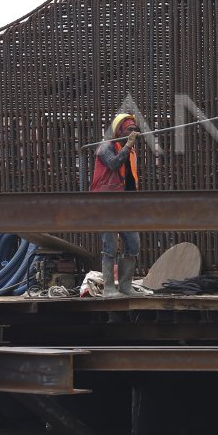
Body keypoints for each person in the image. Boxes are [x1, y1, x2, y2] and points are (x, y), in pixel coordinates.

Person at [89, 112, 141, 297]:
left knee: (133, 244)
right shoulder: (105, 148)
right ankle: (109, 288)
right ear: (119, 130)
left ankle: (126, 286)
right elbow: (112, 164)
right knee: (110, 245)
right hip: (107, 202)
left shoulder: (129, 151)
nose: (133, 133)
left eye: (134, 130)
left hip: (125, 204)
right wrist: (127, 146)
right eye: (129, 130)